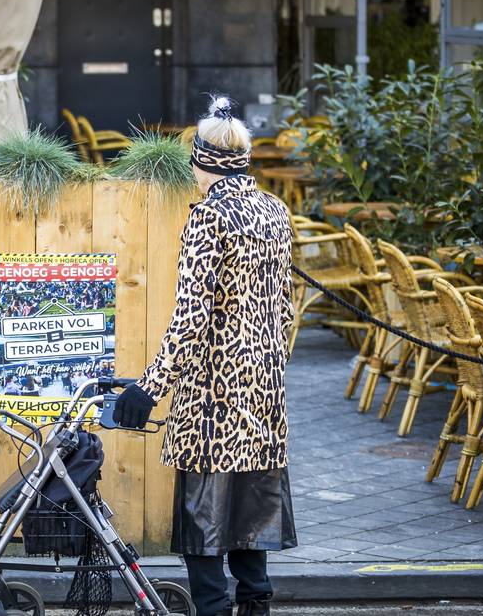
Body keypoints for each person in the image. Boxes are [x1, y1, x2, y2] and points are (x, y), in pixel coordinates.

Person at [112, 95, 296, 616]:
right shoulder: (275, 211)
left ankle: (214, 609)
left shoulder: (208, 218)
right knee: (252, 507)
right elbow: (284, 307)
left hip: (213, 394)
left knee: (205, 516)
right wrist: (268, 365)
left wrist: (149, 386)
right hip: (263, 388)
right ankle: (255, 607)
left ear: (202, 162)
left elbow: (190, 316)